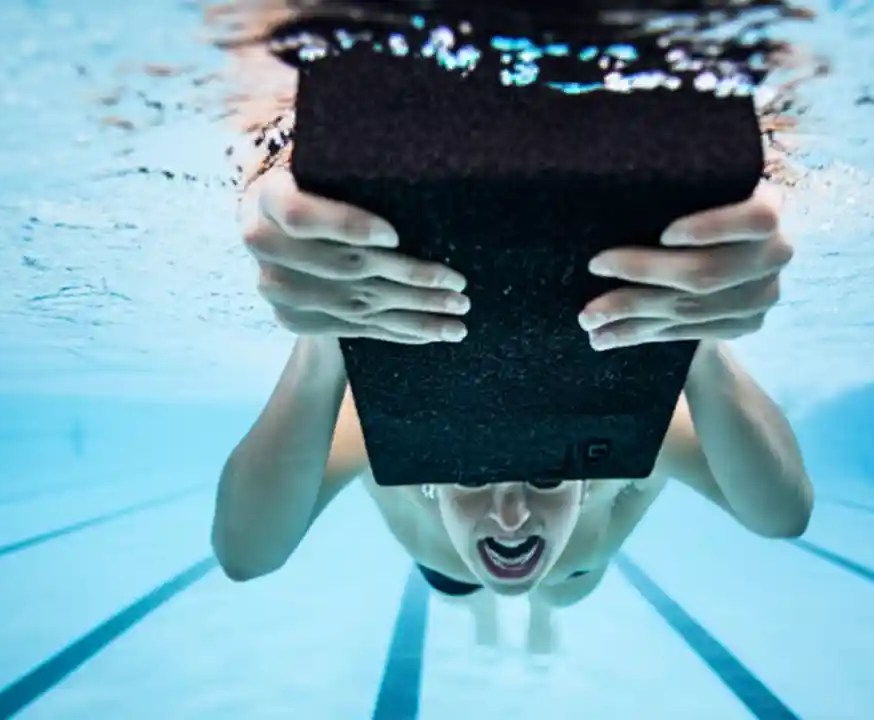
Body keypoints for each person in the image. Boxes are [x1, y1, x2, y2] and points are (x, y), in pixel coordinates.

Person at [208, 0, 814, 654]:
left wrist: (336, 323)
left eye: (476, 474)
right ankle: (513, 608)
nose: (511, 509)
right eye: (544, 474)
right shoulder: (617, 440)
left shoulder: (406, 447)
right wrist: (683, 323)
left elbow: (247, 553)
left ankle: (536, 612)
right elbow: (782, 513)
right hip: (465, 557)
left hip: (541, 558)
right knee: (518, 580)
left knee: (564, 586)